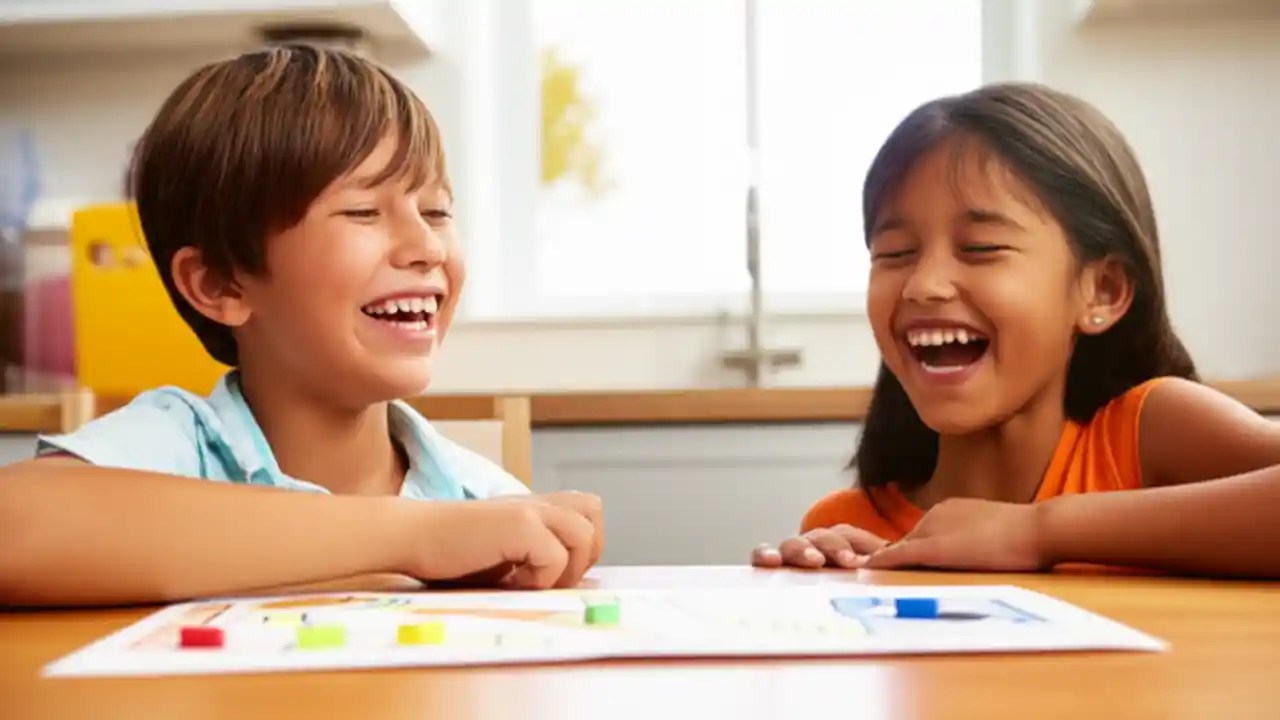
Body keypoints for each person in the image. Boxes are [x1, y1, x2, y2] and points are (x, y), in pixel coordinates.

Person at [0, 45, 603, 607]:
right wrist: (412, 537)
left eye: (437, 211)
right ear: (220, 285)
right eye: (364, 211)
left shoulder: (484, 503)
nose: (425, 245)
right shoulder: (174, 447)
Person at [751, 82, 1280, 577]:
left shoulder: (1147, 433)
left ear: (1103, 291)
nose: (924, 285)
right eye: (894, 254)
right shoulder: (848, 525)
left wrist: (1036, 532)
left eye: (980, 248)